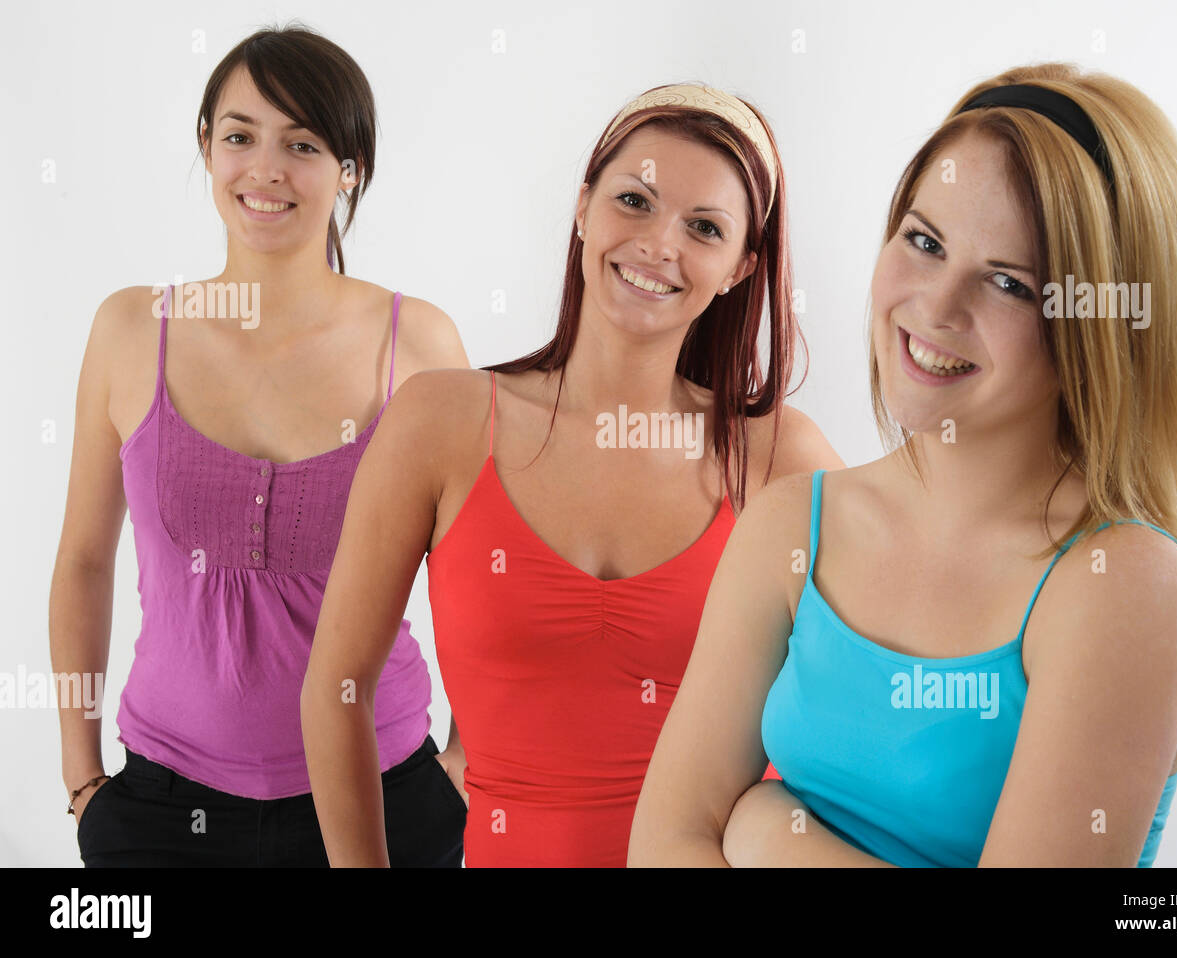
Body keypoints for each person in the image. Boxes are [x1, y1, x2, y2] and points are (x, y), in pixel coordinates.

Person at [630, 63, 1177, 867]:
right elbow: (664, 845)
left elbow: (712, 833)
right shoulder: (791, 523)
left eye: (1011, 284)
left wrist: (769, 837)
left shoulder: (1120, 581)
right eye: (924, 242)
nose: (936, 309)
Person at [303, 83, 845, 866]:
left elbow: (878, 687)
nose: (661, 244)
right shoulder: (441, 422)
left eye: (704, 227)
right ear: (583, 206)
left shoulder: (778, 458)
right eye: (635, 200)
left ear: (739, 267)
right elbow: (337, 688)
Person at [50, 25, 470, 867]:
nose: (266, 168)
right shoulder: (132, 329)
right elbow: (85, 561)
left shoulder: (416, 343)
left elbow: (478, 583)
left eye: (303, 143)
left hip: (383, 797)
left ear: (349, 167)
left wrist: (464, 765)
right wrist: (82, 780)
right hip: (162, 809)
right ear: (206, 148)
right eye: (240, 135)